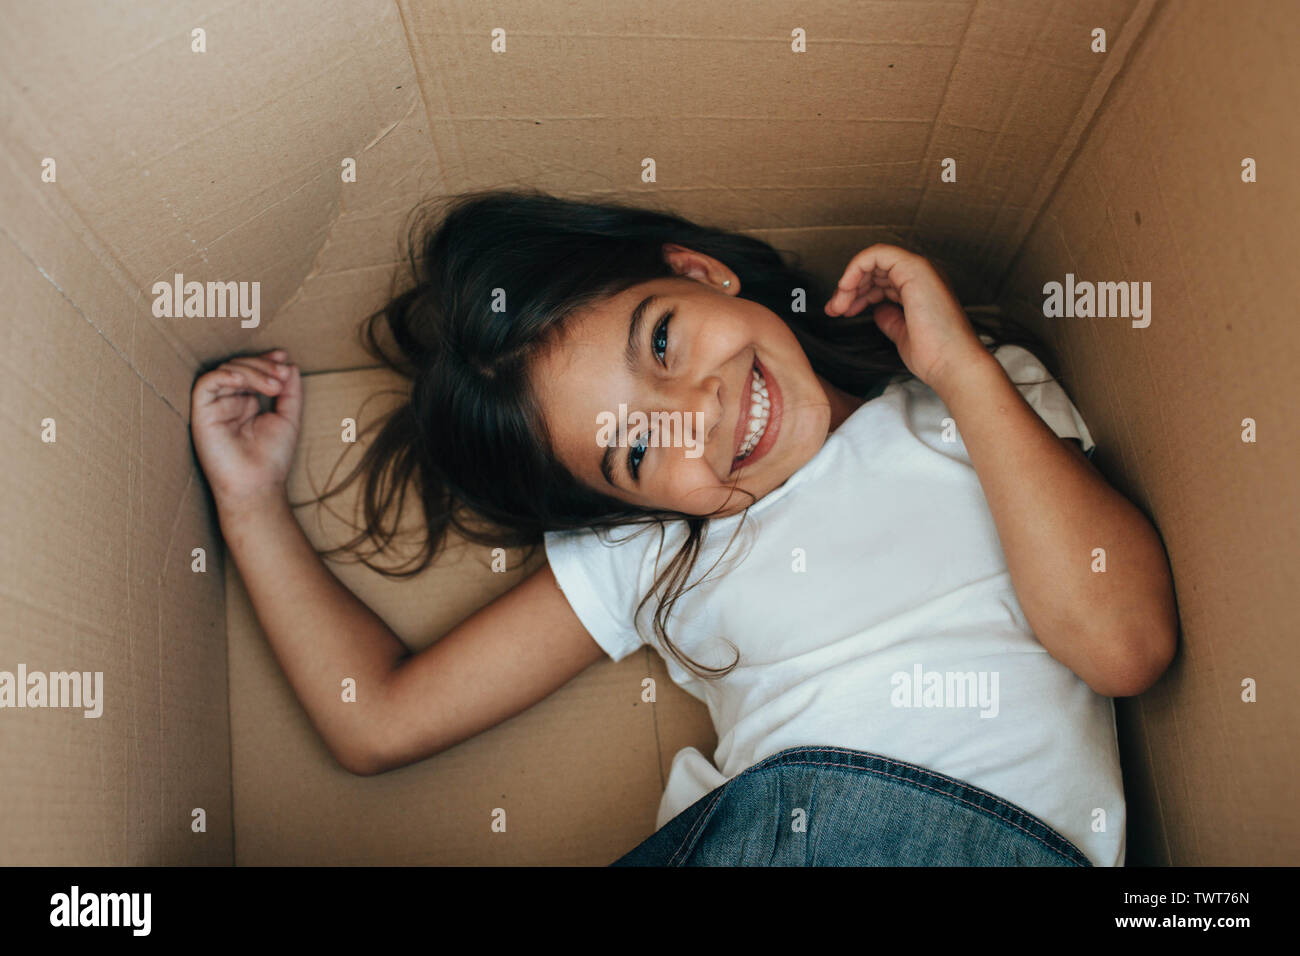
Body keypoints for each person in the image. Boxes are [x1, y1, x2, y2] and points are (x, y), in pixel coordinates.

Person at [190, 188, 1178, 866]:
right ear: (627, 504)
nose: (695, 412)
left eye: (661, 341)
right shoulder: (657, 545)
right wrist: (249, 502)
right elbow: (378, 717)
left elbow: (1122, 643)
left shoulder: (973, 403)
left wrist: (959, 368)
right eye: (632, 453)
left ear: (700, 271)